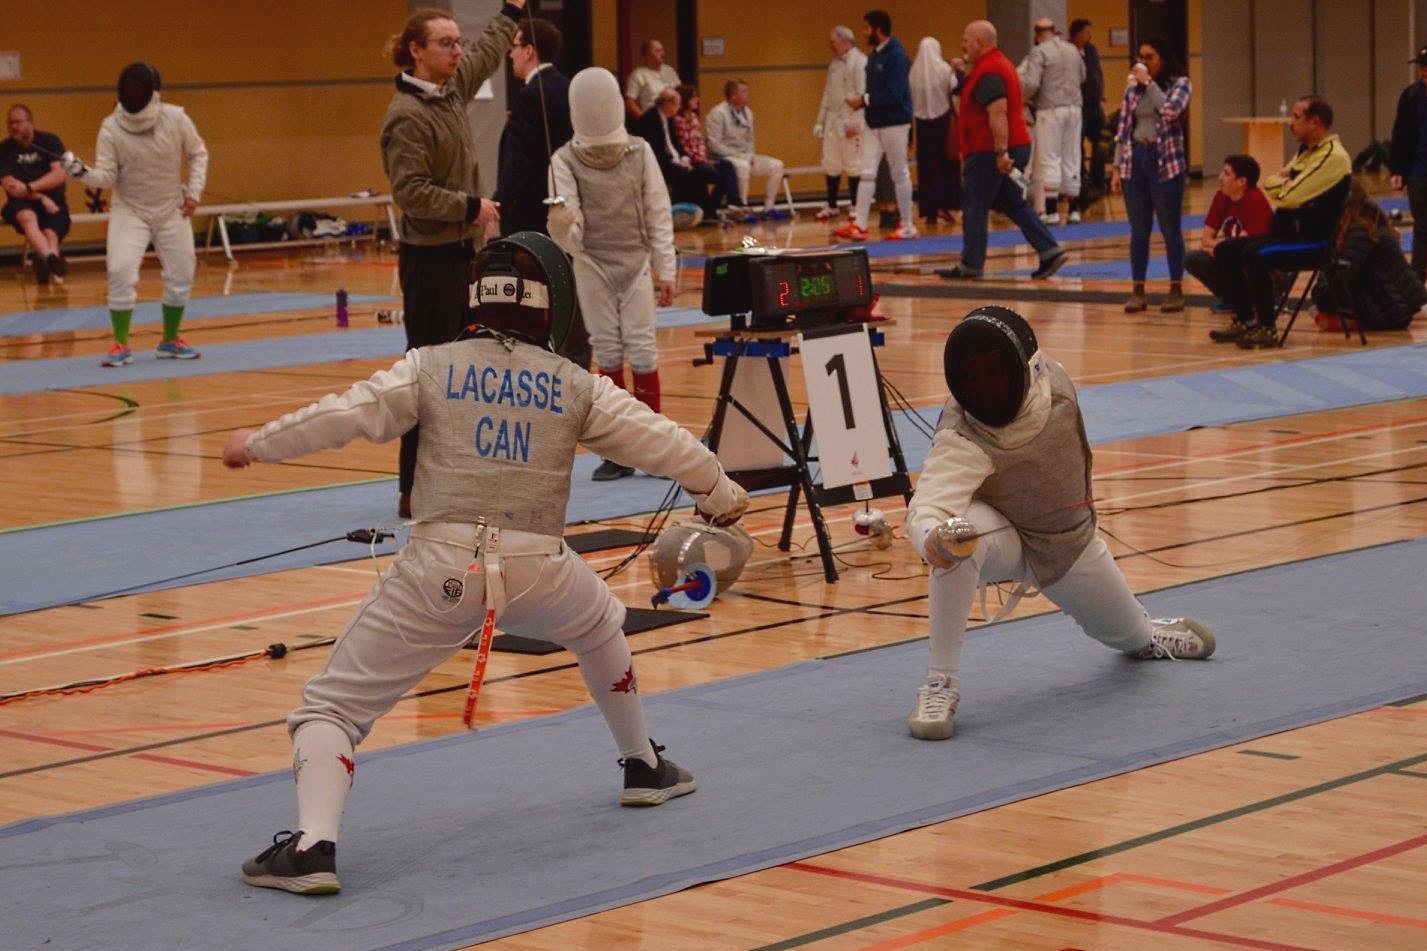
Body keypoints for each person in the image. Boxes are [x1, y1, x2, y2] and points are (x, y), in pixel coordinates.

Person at [225, 232, 749, 895]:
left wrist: (258, 443)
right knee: (598, 624)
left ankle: (312, 845)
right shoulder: (575, 383)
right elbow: (664, 440)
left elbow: (348, 413)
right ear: (548, 305)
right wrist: (721, 494)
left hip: (440, 572)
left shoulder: (431, 365)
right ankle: (642, 766)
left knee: (329, 707)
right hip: (540, 567)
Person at [903, 306, 1216, 741]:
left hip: (1068, 543)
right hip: (1004, 537)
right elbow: (928, 507)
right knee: (960, 536)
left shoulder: (1055, 382)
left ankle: (1148, 635)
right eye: (970, 377)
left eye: (995, 373)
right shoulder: (962, 435)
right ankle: (940, 682)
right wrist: (933, 540)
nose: (982, 387)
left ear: (1028, 369)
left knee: (1127, 636)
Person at [380, 3, 523, 518]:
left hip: (464, 257)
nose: (458, 51)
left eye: (458, 42)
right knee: (431, 377)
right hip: (430, 264)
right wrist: (470, 206)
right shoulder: (407, 116)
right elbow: (411, 192)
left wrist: (512, 12)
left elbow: (487, 54)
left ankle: (459, 479)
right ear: (416, 51)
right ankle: (412, 489)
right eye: (446, 43)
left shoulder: (450, 91)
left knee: (467, 374)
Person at [549, 68, 677, 482]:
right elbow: (571, 227)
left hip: (635, 261)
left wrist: (666, 268)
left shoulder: (639, 151)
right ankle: (621, 450)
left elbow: (658, 210)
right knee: (606, 351)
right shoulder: (563, 159)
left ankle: (655, 446)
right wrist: (564, 226)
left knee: (641, 349)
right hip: (592, 264)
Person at [64, 63, 208, 367]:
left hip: (172, 207)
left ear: (152, 92)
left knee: (182, 273)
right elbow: (106, 177)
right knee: (120, 271)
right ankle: (120, 345)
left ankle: (170, 341)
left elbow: (198, 153)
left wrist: (193, 193)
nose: (131, 93)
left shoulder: (175, 117)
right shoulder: (111, 127)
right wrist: (80, 171)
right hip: (130, 210)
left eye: (137, 88)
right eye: (127, 88)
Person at [1213, 96, 1351, 349]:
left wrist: (1289, 183)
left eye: (1297, 117)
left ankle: (1267, 327)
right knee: (1225, 250)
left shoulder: (1333, 157)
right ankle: (1245, 318)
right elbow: (1271, 183)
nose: (1291, 123)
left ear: (1315, 121)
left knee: (1254, 254)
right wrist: (1288, 181)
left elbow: (1289, 196)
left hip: (1313, 242)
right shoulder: (1305, 153)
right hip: (1286, 235)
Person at [935, 20, 1066, 281]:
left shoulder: (990, 70)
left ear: (980, 43)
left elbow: (998, 112)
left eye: (966, 40)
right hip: (1004, 145)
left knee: (974, 203)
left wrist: (1000, 152)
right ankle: (1050, 250)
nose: (962, 45)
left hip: (989, 150)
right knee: (1010, 201)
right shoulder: (991, 66)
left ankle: (971, 264)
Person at [1111, 38, 1192, 314]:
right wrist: (1116, 166)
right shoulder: (1132, 88)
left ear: (1163, 59)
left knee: (1170, 229)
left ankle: (1176, 287)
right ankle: (1138, 289)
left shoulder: (1180, 84)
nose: (1144, 62)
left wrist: (1150, 84)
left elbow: (1170, 112)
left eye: (1150, 57)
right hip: (1136, 159)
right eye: (1141, 57)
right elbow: (1123, 128)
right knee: (1139, 231)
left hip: (1165, 160)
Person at [833, 9, 917, 241]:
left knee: (899, 173)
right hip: (875, 122)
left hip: (895, 123)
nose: (863, 32)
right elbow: (874, 92)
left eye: (866, 28)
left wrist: (864, 100)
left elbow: (895, 93)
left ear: (877, 29)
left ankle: (908, 224)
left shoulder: (897, 55)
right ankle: (860, 224)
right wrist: (864, 101)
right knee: (867, 172)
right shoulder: (874, 56)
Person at [1311, 179, 1425, 332]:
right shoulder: (1370, 222)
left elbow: (1341, 284)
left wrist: (1319, 293)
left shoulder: (1359, 231)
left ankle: (1349, 322)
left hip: (1390, 313)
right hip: (1400, 308)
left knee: (1317, 311)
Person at [494, 17, 572, 237]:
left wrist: (499, 204)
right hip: (565, 199)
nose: (510, 54)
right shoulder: (567, 86)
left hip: (531, 210)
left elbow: (519, 158)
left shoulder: (530, 95)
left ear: (528, 51)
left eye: (514, 47)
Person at [1183, 154, 1272, 317]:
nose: (1220, 177)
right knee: (1191, 258)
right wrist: (1219, 249)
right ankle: (1231, 298)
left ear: (1241, 181)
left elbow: (1243, 248)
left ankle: (1262, 297)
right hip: (1231, 257)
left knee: (1241, 259)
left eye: (1226, 174)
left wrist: (1216, 248)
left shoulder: (1256, 200)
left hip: (1259, 263)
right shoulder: (1221, 197)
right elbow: (1205, 238)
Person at [1018, 19, 1084, 226]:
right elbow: (1083, 76)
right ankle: (1074, 210)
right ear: (1055, 31)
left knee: (1049, 158)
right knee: (1073, 156)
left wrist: (1021, 100)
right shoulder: (1073, 49)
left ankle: (1053, 211)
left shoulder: (1039, 52)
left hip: (1050, 110)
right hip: (1075, 109)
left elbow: (1032, 83)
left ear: (1036, 35)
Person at [1, 104, 70, 286]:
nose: (13, 126)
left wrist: (31, 187)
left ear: (30, 122)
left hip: (54, 201)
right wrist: (40, 196)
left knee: (50, 233)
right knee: (27, 217)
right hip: (22, 203)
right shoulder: (4, 149)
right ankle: (50, 259)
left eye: (17, 122)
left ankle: (52, 271)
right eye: (10, 123)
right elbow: (11, 186)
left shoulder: (50, 141)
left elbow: (58, 175)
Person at [705, 80, 789, 220]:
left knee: (777, 165)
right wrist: (740, 156)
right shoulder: (717, 113)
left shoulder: (748, 112)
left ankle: (769, 208)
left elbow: (750, 140)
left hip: (745, 156)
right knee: (743, 166)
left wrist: (750, 156)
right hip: (723, 158)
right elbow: (714, 145)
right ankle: (741, 210)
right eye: (744, 91)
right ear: (733, 96)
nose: (748, 94)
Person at [813, 26, 867, 222]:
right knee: (831, 162)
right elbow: (827, 93)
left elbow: (862, 94)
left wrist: (855, 123)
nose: (831, 46)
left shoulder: (860, 62)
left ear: (845, 41)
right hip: (832, 121)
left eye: (833, 42)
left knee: (854, 163)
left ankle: (855, 205)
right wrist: (820, 120)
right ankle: (832, 205)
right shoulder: (834, 64)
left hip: (851, 119)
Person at [909, 36, 960, 228]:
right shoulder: (944, 69)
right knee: (946, 165)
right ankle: (946, 205)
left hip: (922, 125)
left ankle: (930, 210)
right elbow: (955, 87)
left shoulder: (913, 73)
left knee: (927, 168)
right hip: (944, 123)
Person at [1388, 44, 1427, 281]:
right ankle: (1417, 280)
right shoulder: (1410, 96)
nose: (1424, 72)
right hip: (1418, 172)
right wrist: (1397, 169)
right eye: (1422, 67)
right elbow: (1400, 133)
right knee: (1422, 227)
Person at [672, 85, 741, 218]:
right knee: (720, 176)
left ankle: (734, 200)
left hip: (701, 159)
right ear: (686, 99)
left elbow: (700, 143)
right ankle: (711, 207)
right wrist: (698, 160)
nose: (697, 99)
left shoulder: (694, 118)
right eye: (694, 97)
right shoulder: (677, 121)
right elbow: (683, 145)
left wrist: (704, 158)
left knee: (727, 166)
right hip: (691, 162)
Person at [1069, 19, 1105, 213]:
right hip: (1078, 107)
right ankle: (1083, 186)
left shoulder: (1091, 51)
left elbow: (1097, 74)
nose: (1089, 36)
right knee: (1077, 148)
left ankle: (1097, 182)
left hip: (1095, 106)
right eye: (1086, 32)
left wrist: (1101, 94)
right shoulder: (1069, 51)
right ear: (1077, 34)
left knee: (1104, 141)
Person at [624, 39, 682, 122]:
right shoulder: (638, 74)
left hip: (673, 119)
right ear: (647, 54)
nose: (663, 54)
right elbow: (630, 102)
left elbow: (680, 92)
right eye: (658, 51)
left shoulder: (670, 71)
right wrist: (644, 120)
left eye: (662, 50)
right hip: (652, 119)